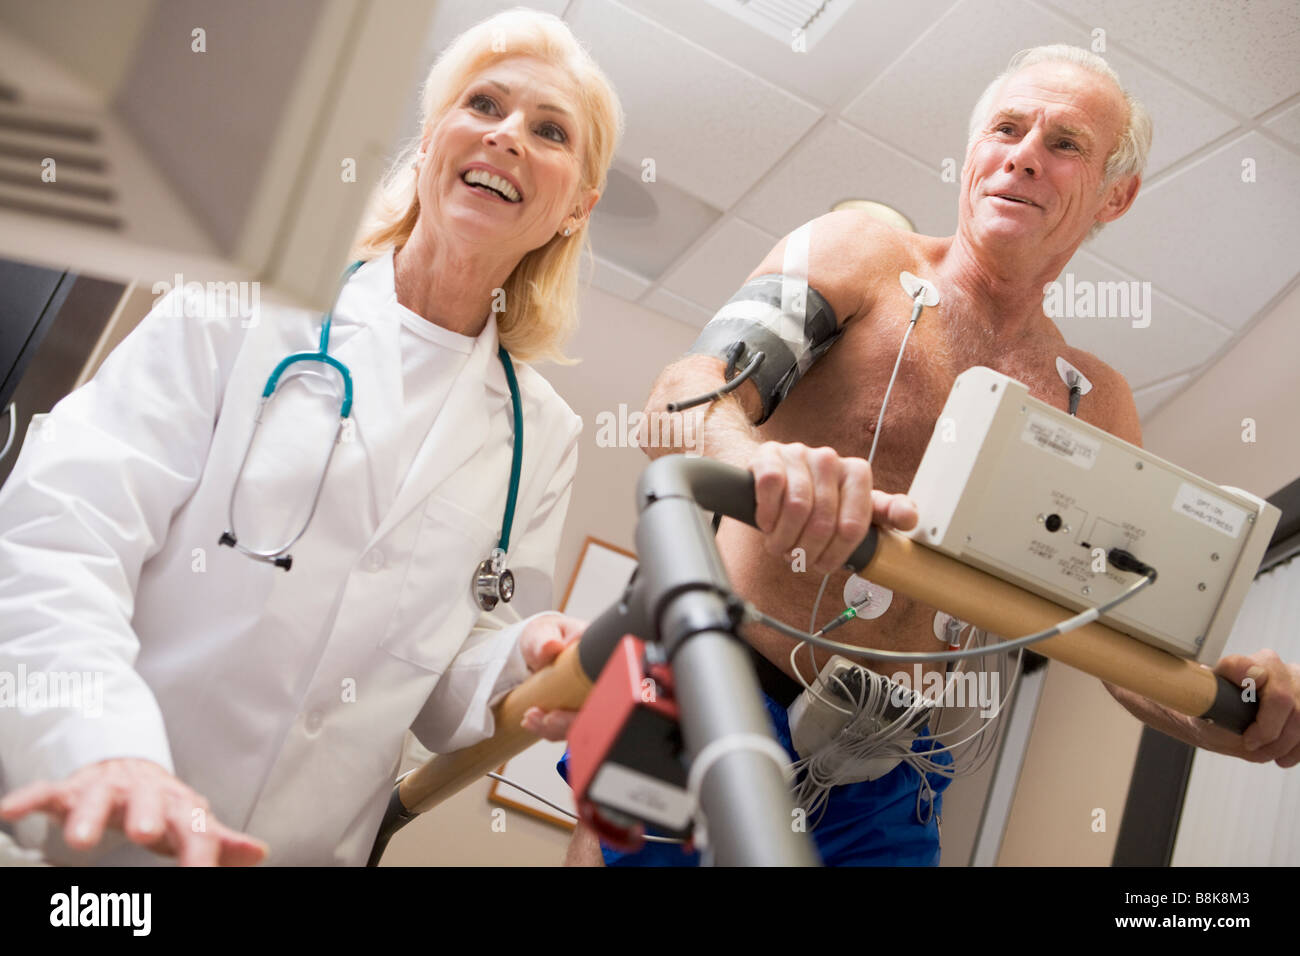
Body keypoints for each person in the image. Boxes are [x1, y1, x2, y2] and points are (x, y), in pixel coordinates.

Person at [565, 44, 1300, 867]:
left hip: (883, 764)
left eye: (1065, 145)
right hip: (707, 684)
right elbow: (680, 398)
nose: (1023, 155)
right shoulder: (862, 256)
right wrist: (759, 462)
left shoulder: (1090, 399)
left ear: (1115, 196)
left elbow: (1122, 655)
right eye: (1008, 129)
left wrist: (1216, 705)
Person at [0, 8, 622, 866]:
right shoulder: (246, 302)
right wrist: (103, 744)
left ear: (574, 210)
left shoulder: (539, 433)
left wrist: (526, 653)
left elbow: (451, 689)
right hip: (97, 826)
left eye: (550, 130)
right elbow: (61, 527)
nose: (508, 135)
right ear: (433, 138)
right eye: (483, 105)